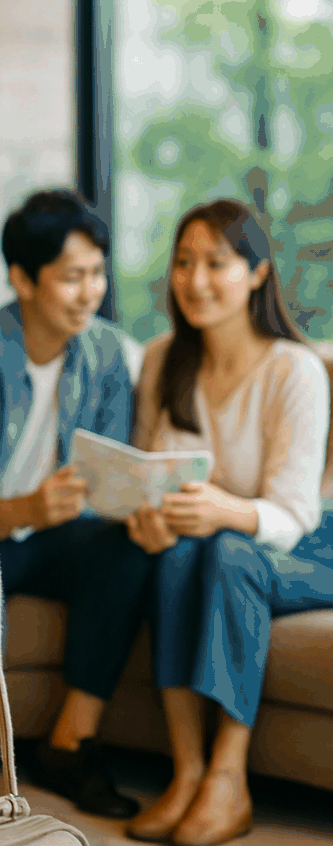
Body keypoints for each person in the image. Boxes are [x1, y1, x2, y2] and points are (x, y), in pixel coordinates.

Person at [124, 199, 332, 846]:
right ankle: (186, 772)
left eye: (217, 262)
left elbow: (295, 512)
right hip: (205, 543)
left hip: (306, 544)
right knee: (181, 553)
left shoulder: (292, 370)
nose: (196, 279)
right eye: (184, 263)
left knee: (226, 552)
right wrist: (148, 523)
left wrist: (223, 512)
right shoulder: (162, 360)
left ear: (258, 273)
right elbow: (144, 478)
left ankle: (228, 776)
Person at [0, 190, 153, 818]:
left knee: (129, 548)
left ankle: (71, 743)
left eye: (97, 274)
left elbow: (111, 472)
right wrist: (23, 511)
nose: (90, 291)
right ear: (23, 278)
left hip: (62, 534)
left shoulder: (106, 353)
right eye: (72, 277)